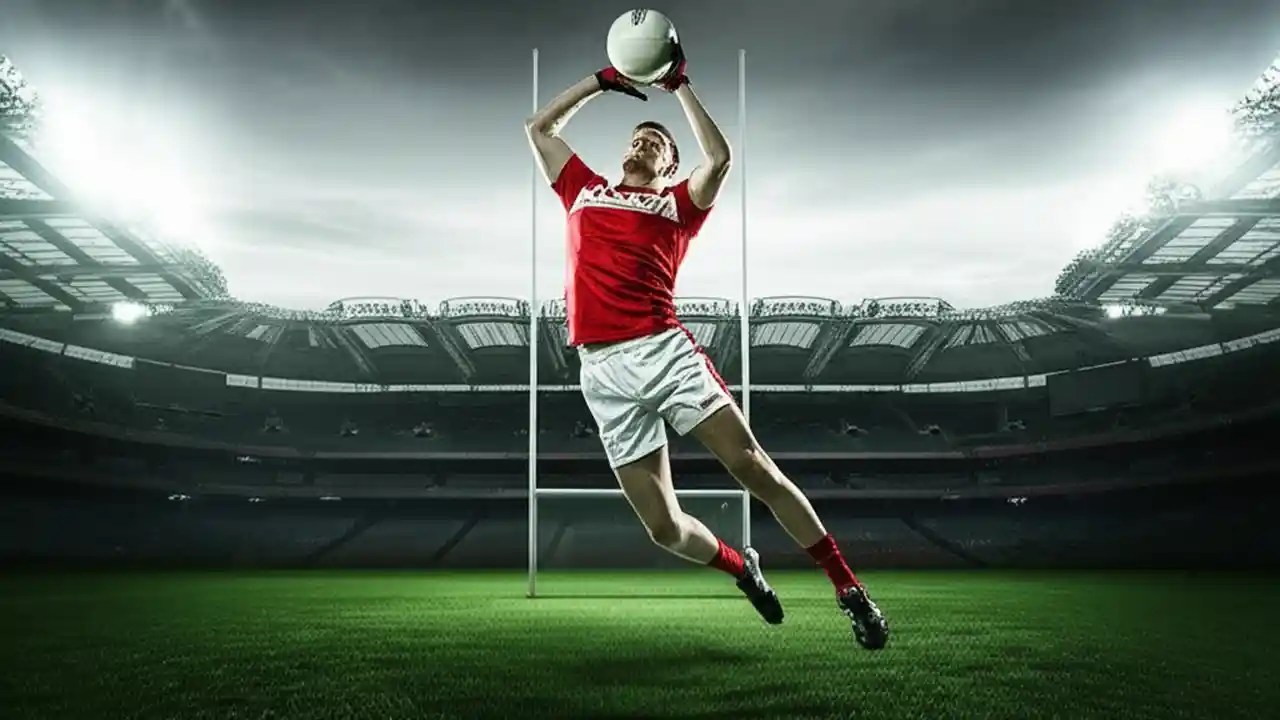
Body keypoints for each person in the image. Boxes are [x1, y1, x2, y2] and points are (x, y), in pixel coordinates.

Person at [523, 43, 889, 650]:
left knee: (751, 466)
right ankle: (740, 567)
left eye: (658, 142)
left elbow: (718, 157)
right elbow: (539, 126)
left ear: (670, 165)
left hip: (663, 352)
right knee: (664, 528)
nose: (644, 141)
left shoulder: (676, 205)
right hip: (600, 371)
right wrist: (602, 81)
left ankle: (849, 590)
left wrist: (678, 88)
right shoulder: (582, 190)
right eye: (638, 136)